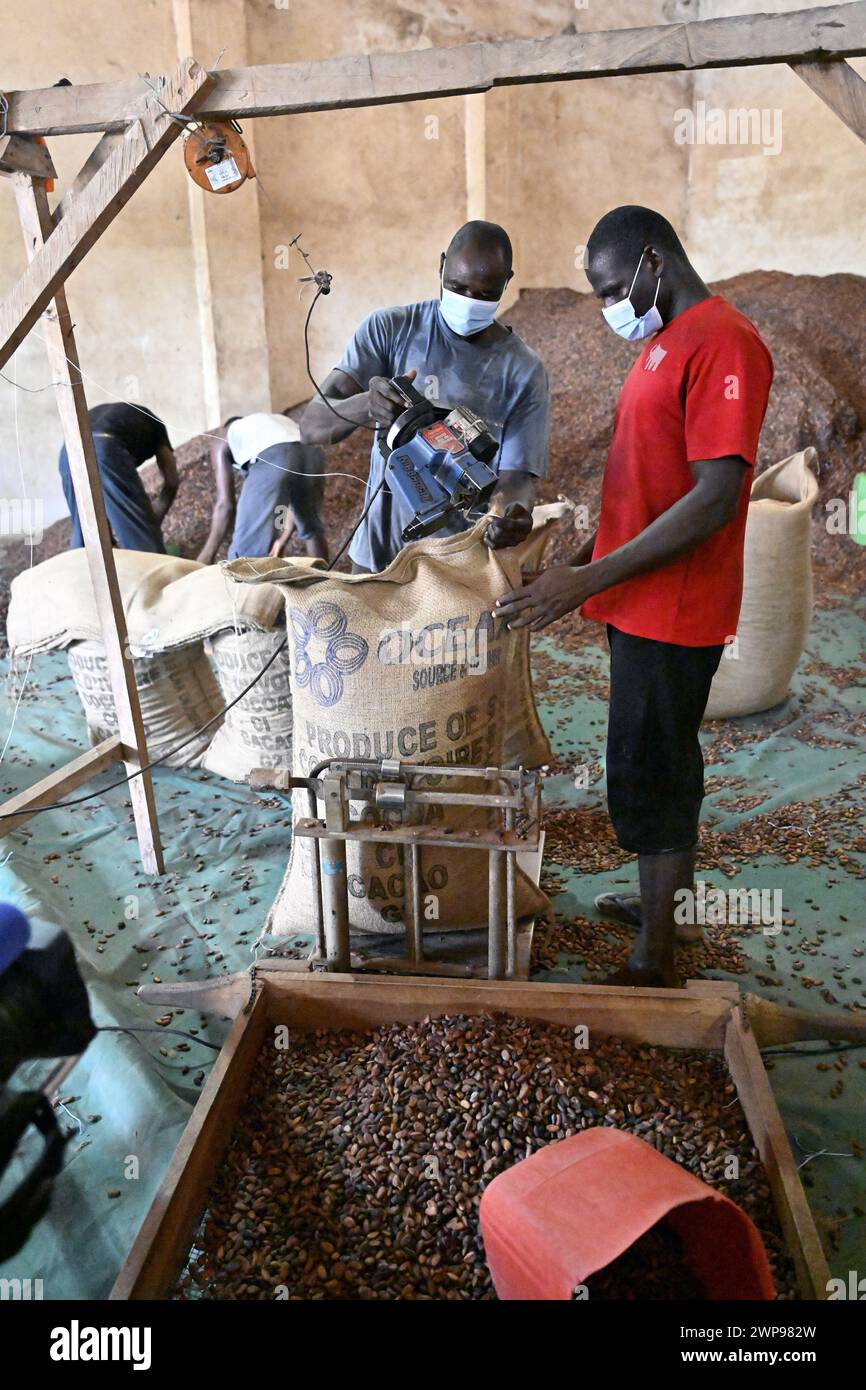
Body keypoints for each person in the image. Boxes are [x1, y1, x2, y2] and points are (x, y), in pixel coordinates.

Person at [497, 205, 774, 989]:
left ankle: (656, 955)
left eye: (614, 288)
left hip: (676, 605)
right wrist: (578, 559)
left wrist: (586, 579)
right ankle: (664, 908)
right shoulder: (663, 344)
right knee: (645, 759)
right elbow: (642, 490)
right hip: (636, 599)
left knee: (655, 770)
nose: (609, 306)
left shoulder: (725, 340)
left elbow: (716, 496)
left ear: (655, 259)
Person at [299, 220, 550, 573]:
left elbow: (517, 479)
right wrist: (366, 404)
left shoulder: (523, 371)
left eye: (485, 294)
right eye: (458, 286)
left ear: (507, 282)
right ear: (441, 265)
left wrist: (511, 513)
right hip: (377, 558)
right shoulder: (390, 330)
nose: (468, 302)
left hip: (460, 566)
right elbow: (311, 428)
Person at [197, 411, 328, 564]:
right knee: (312, 530)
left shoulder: (223, 437)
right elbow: (284, 506)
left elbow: (225, 505)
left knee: (245, 552)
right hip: (313, 454)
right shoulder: (271, 424)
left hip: (276, 456)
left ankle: (242, 586)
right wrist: (280, 540)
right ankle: (326, 583)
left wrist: (204, 559)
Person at [59, 402, 177, 552]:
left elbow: (100, 497)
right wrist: (150, 524)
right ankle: (152, 572)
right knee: (143, 547)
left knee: (86, 541)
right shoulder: (157, 426)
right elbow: (172, 482)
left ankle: (82, 572)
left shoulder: (119, 417)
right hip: (105, 447)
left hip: (68, 452)